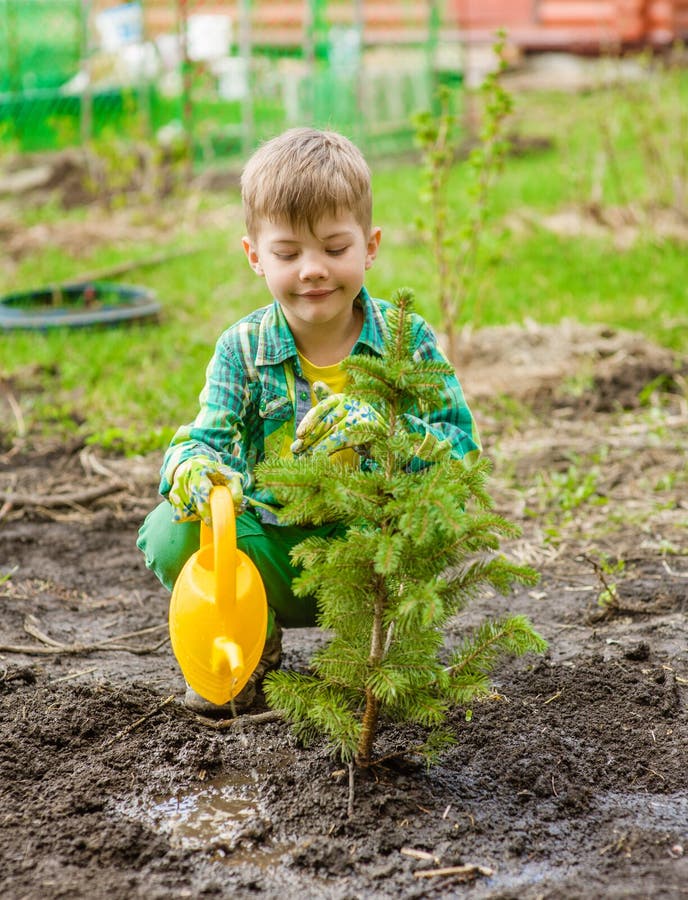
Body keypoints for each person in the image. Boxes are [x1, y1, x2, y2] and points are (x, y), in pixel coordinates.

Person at [137, 127, 481, 716]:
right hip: (274, 546)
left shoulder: (406, 341)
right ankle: (251, 641)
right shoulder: (242, 349)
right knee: (171, 531)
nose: (313, 270)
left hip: (373, 553)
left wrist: (384, 430)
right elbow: (203, 440)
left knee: (438, 515)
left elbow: (464, 453)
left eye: (335, 248)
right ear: (254, 256)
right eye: (289, 253)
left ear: (370, 246)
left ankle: (378, 654)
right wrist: (194, 469)